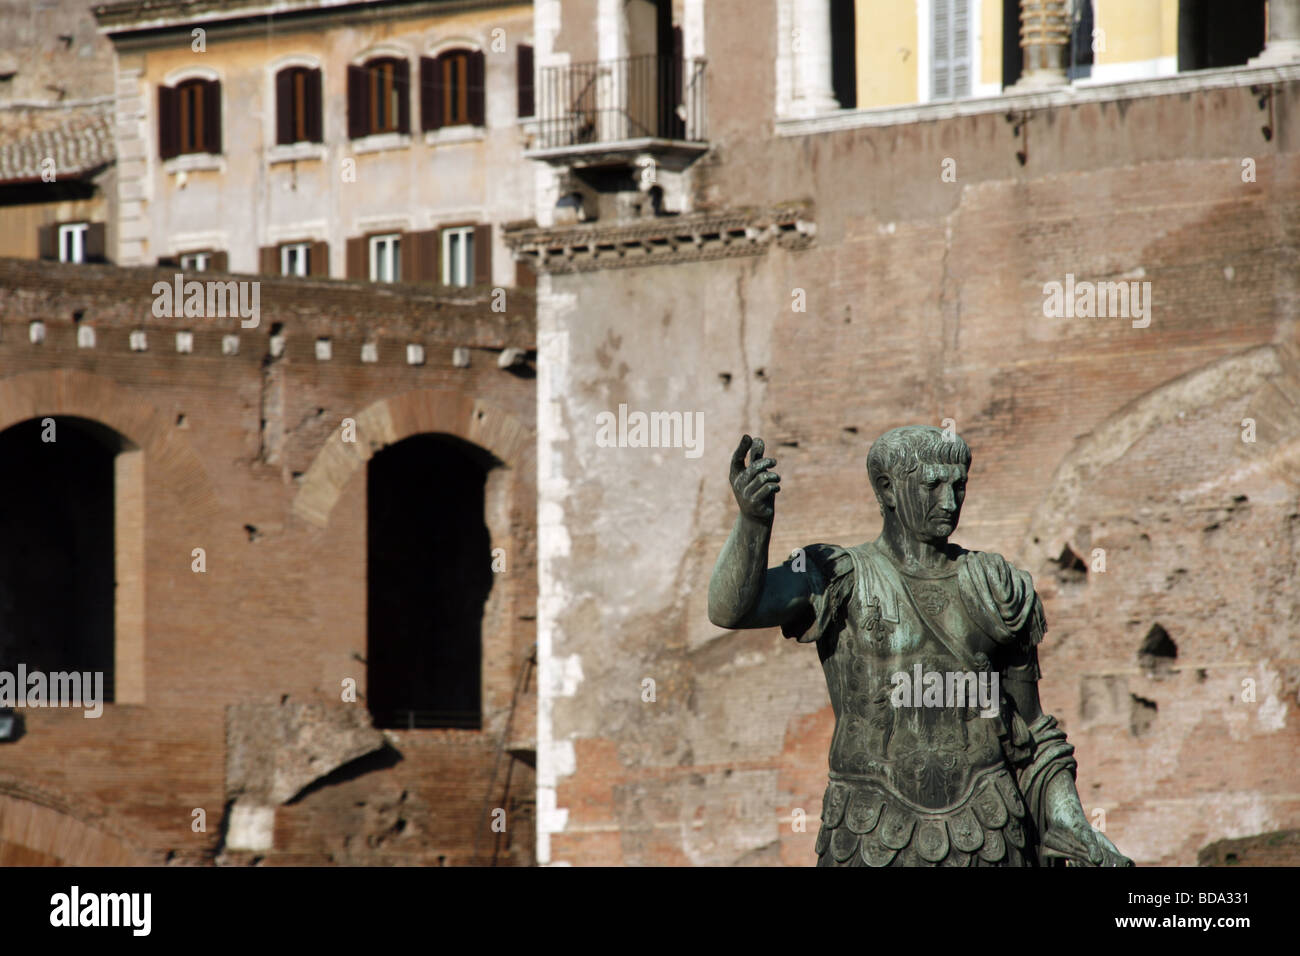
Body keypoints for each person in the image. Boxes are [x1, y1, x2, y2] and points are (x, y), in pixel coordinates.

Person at [708, 426, 1131, 866]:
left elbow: (1033, 733)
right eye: (932, 485)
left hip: (989, 831)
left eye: (959, 486)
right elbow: (731, 610)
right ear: (888, 489)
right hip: (869, 832)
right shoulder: (836, 576)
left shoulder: (997, 587)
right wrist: (753, 524)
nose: (949, 503)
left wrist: (1071, 822)